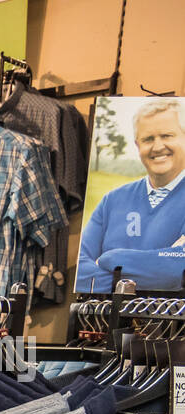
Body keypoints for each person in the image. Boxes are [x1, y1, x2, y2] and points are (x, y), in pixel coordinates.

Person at [76, 100, 185, 291]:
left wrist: (111, 258)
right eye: (148, 139)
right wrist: (150, 269)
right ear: (137, 145)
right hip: (104, 319)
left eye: (167, 135)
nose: (158, 147)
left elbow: (177, 271)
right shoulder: (112, 200)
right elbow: (81, 272)